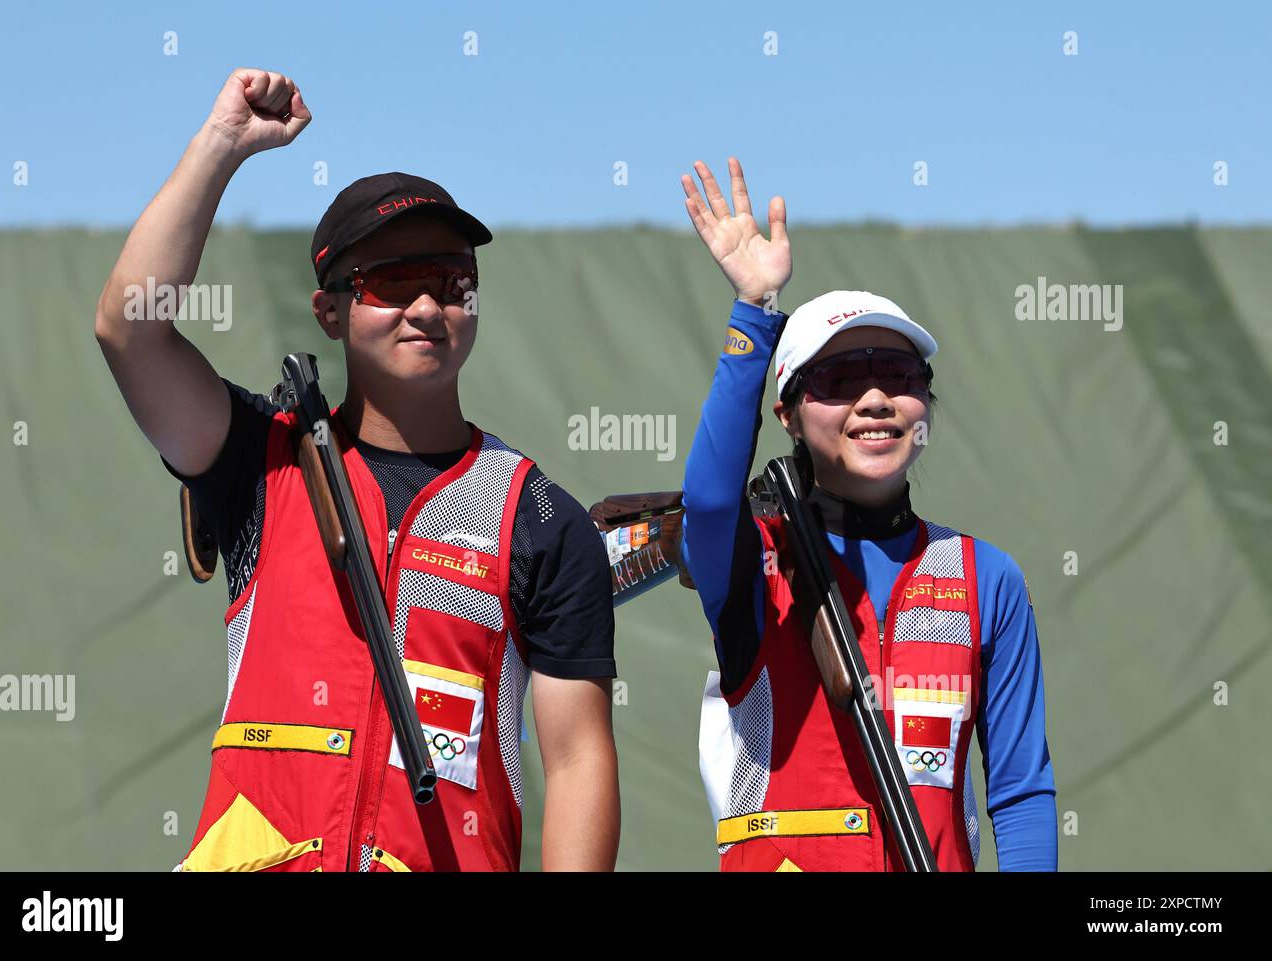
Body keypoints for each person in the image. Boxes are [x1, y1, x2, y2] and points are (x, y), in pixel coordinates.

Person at [94, 67, 619, 872]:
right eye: (391, 282)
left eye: (450, 282)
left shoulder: (543, 518)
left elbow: (579, 760)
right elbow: (129, 329)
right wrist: (222, 146)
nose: (425, 307)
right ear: (329, 310)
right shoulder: (259, 459)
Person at [680, 158, 1056, 871]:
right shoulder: (752, 559)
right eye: (842, 380)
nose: (877, 399)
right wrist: (754, 313)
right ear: (786, 413)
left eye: (900, 375)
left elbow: (1020, 791)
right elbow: (707, 499)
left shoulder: (989, 579)